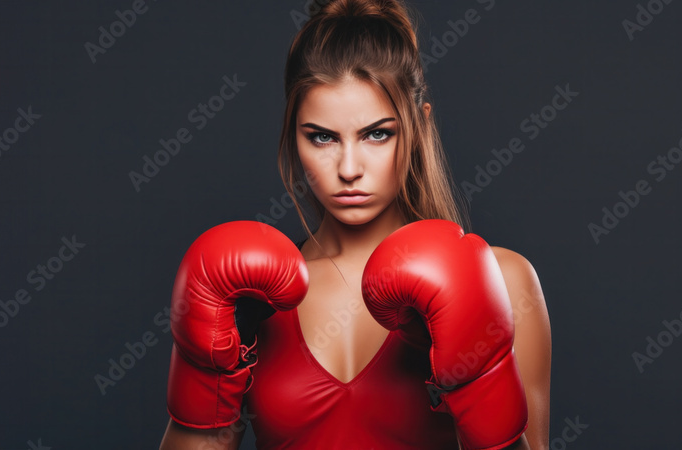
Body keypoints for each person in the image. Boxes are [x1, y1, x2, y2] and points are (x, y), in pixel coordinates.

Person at [159, 0, 552, 448]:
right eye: (323, 137)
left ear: (418, 127)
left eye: (377, 133)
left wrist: (475, 380)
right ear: (294, 135)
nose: (349, 167)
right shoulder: (251, 295)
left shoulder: (505, 281)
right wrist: (205, 372)